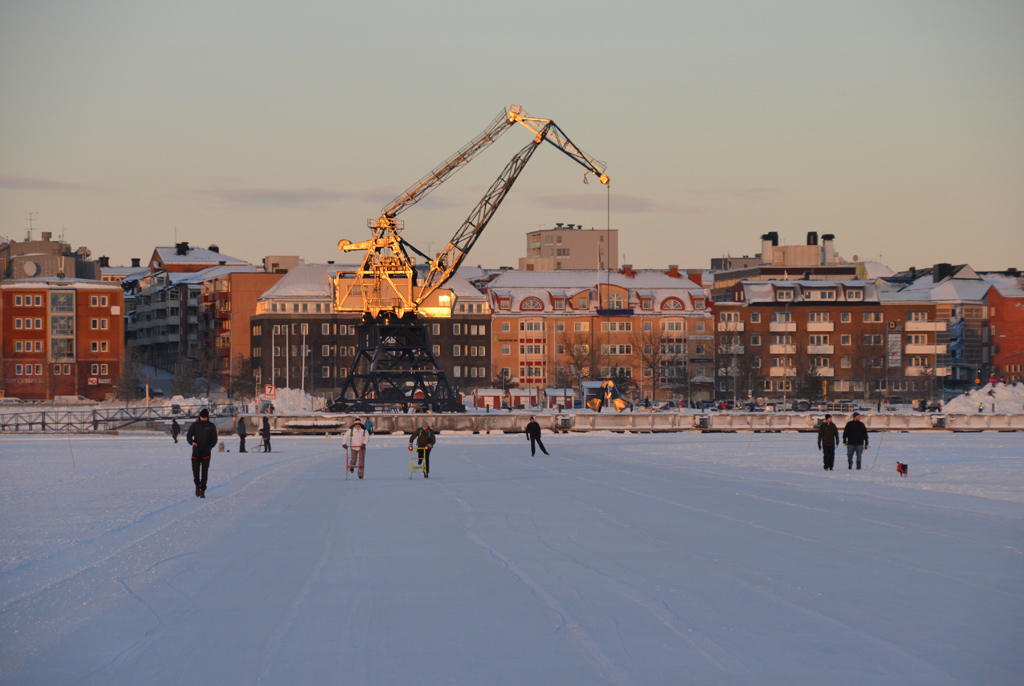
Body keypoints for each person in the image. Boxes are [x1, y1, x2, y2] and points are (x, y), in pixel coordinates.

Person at [186, 409, 218, 497]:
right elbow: (189, 436)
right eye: (202, 417)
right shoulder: (195, 425)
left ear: (207, 417)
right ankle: (197, 485)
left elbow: (214, 439)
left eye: (205, 417)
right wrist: (192, 442)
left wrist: (210, 447)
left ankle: (203, 490)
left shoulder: (211, 426)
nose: (203, 419)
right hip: (196, 452)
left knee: (204, 472)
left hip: (206, 452)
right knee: (195, 471)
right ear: (199, 416)